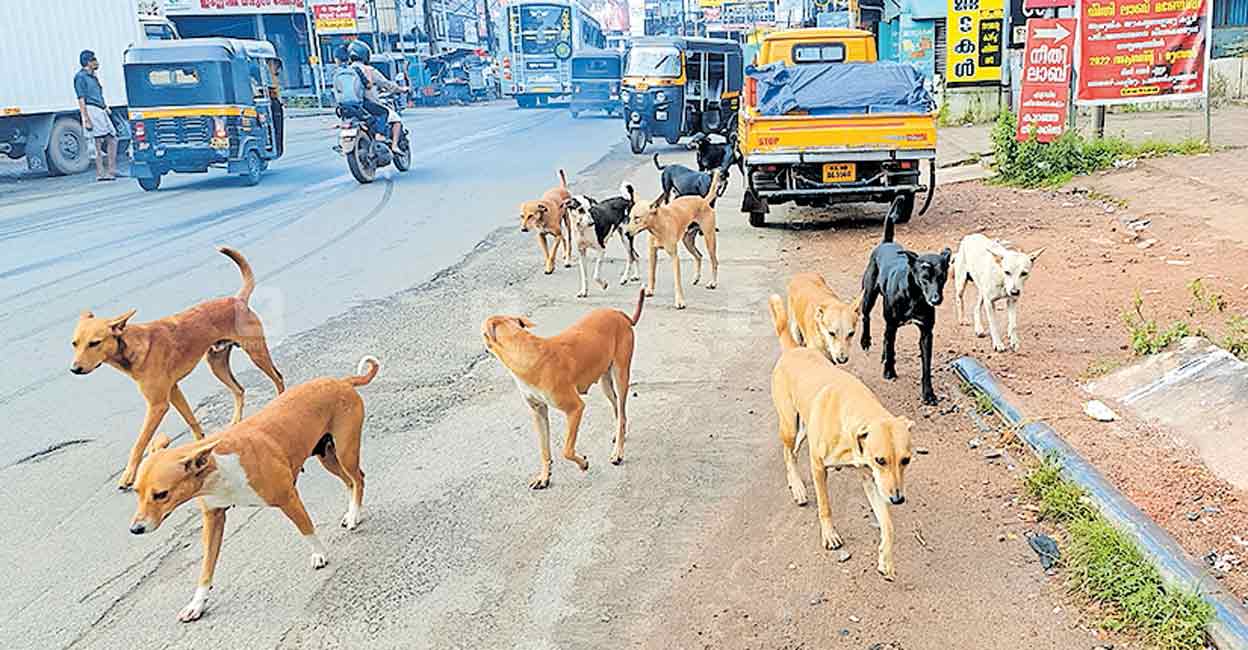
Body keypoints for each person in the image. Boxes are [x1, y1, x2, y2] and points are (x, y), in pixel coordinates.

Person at [346, 41, 407, 153]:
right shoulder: (368, 70)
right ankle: (390, 142)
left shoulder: (345, 71)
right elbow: (386, 84)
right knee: (390, 116)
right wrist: (401, 89)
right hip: (367, 104)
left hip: (347, 106)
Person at [74, 50, 117, 181]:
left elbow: (97, 94)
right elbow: (81, 98)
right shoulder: (80, 77)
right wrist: (86, 118)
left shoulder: (93, 76)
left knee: (111, 138)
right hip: (92, 110)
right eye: (94, 60)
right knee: (100, 141)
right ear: (88, 62)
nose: (97, 62)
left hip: (100, 109)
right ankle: (103, 172)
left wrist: (105, 106)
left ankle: (108, 171)